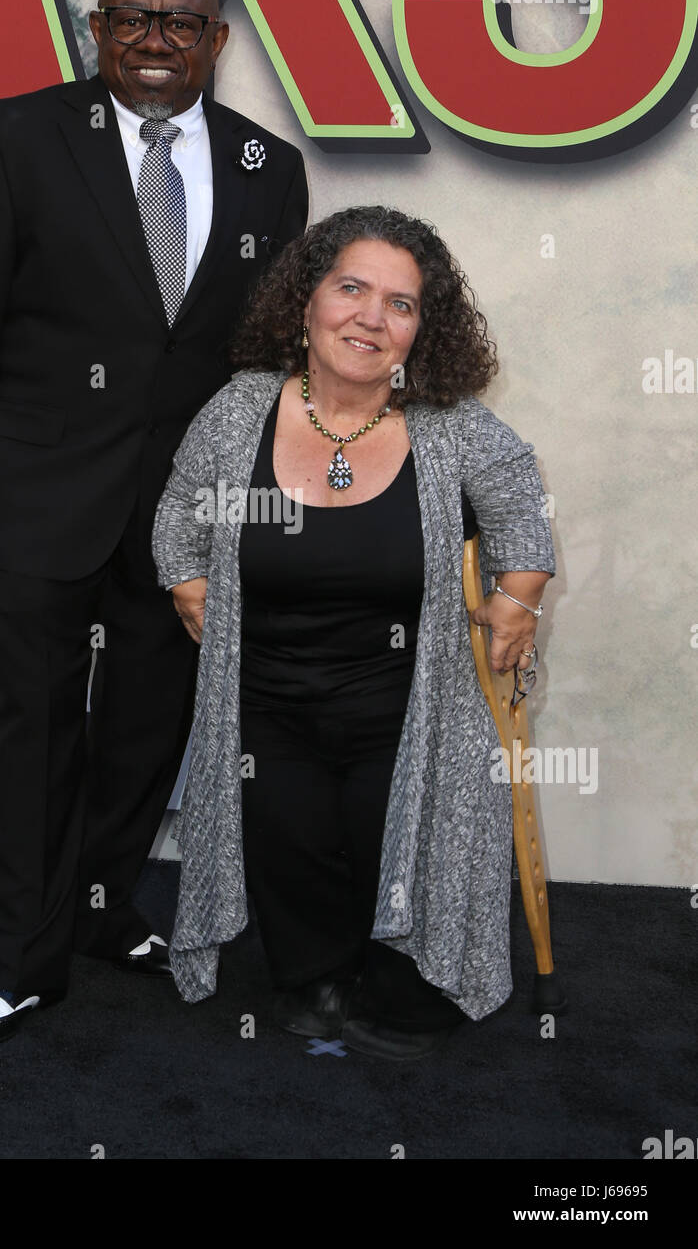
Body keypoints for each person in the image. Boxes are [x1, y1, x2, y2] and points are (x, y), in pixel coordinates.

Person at [0, 0, 308, 1049]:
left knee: (147, 728)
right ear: (96, 31)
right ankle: (22, 959)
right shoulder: (12, 138)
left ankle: (97, 908)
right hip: (35, 491)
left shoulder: (266, 166)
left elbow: (266, 357)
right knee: (38, 727)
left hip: (185, 511)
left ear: (214, 41)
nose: (152, 39)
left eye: (178, 23)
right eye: (130, 19)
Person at [152, 206, 555, 1061]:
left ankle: (407, 979)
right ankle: (314, 975)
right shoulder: (241, 412)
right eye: (352, 289)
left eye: (401, 304)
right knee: (290, 842)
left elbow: (522, 502)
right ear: (306, 303)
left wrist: (519, 602)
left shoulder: (447, 426)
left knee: (396, 847)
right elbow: (181, 517)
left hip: (402, 704)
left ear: (421, 330)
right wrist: (194, 594)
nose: (372, 317)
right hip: (268, 699)